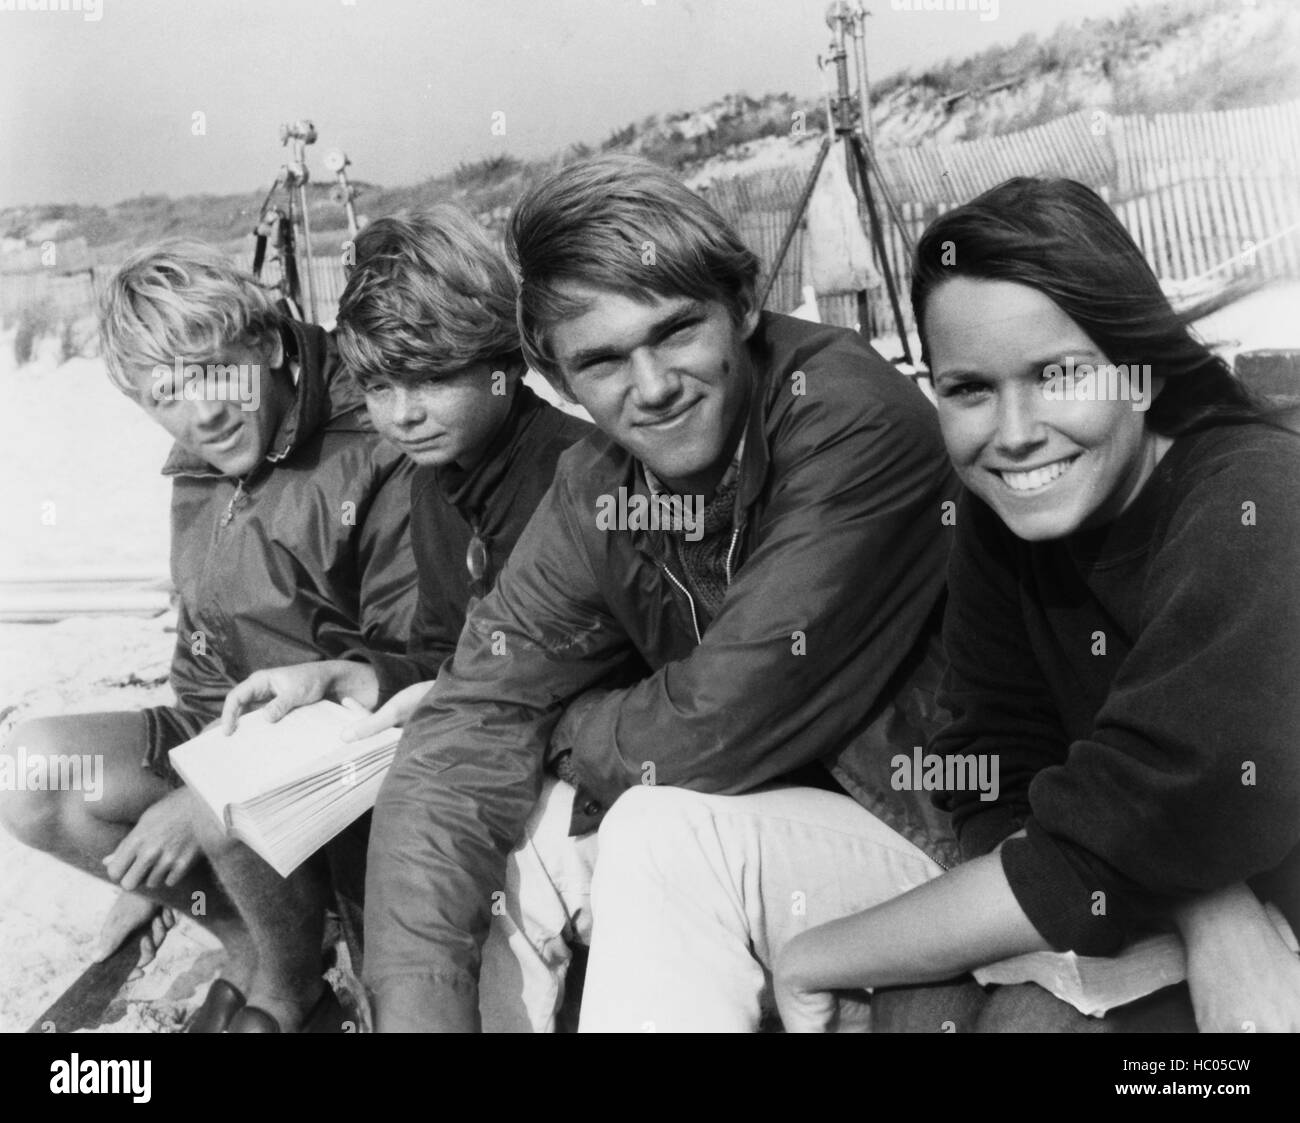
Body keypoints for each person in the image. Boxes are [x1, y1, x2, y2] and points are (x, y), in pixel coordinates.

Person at [363, 153, 961, 1032]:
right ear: (557, 378)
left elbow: (719, 722)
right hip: (784, 818)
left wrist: (559, 723)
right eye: (602, 361)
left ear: (745, 303)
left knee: (659, 830)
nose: (652, 388)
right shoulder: (596, 481)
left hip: (939, 837)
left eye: (676, 332)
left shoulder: (845, 413)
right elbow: (468, 719)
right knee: (511, 837)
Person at [761, 177, 1300, 1032]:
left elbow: (1170, 799)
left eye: (1056, 374)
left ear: (1143, 369)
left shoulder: (1256, 495)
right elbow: (994, 772)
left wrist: (811, 954)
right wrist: (1208, 906)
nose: (1013, 433)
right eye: (968, 388)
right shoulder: (1004, 511)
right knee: (920, 1004)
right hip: (1192, 910)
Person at [0, 240, 418, 1033]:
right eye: (168, 396)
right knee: (32, 770)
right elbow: (201, 656)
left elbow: (405, 666)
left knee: (224, 803)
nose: (202, 413)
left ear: (264, 343)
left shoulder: (369, 447)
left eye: (215, 374)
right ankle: (251, 942)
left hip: (348, 766)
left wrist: (202, 794)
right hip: (235, 747)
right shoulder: (201, 458)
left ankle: (294, 990)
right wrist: (162, 853)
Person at [218, 205, 593, 1031]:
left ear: (503, 359)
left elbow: (610, 662)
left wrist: (462, 694)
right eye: (380, 385)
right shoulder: (438, 480)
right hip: (491, 761)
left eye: (429, 379)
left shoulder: (571, 472)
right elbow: (437, 647)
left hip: (577, 784)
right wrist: (345, 674)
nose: (401, 414)